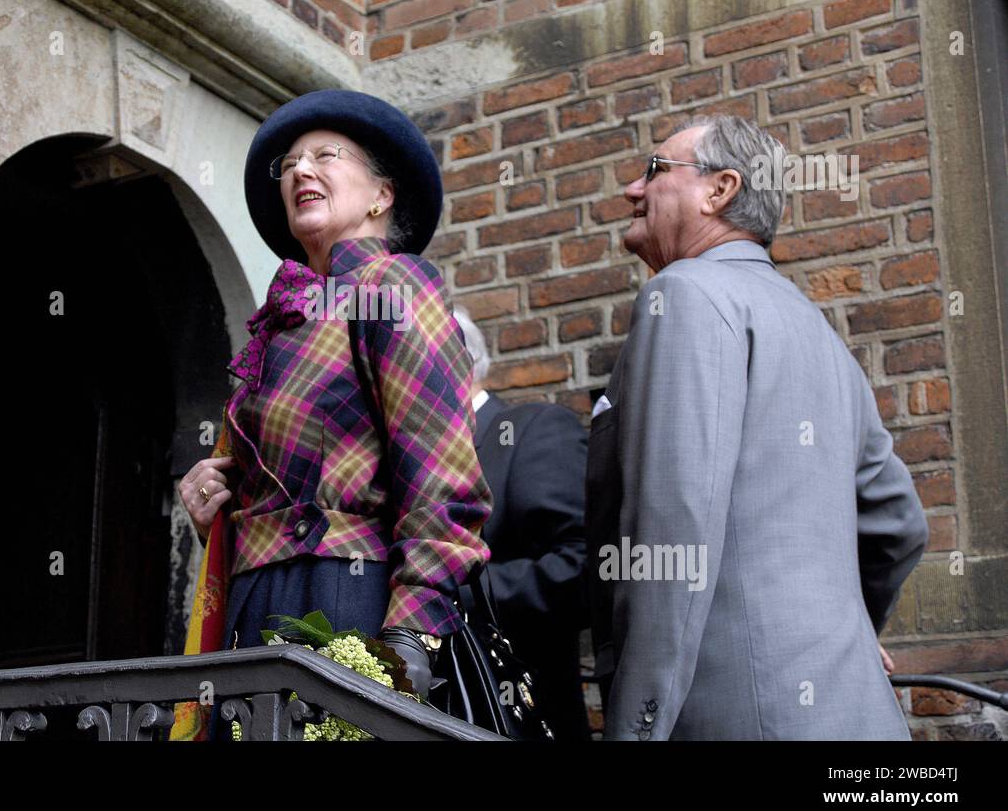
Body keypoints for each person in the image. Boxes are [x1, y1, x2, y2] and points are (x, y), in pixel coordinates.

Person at [586, 114, 928, 740]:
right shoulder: (821, 336)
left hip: (741, 715)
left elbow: (673, 529)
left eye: (655, 170)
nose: (633, 189)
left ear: (719, 190)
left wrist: (637, 728)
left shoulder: (684, 294)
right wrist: (844, 630)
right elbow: (898, 524)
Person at [169, 89, 492, 740]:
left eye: (326, 156)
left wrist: (406, 646)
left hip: (354, 602)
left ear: (381, 196)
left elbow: (443, 487)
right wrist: (218, 516)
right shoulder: (278, 326)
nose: (300, 171)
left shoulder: (394, 287)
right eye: (289, 163)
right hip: (254, 608)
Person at [453, 307, 592, 741]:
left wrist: (448, 595)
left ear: (460, 361)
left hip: (520, 716)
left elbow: (580, 569)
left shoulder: (531, 429)